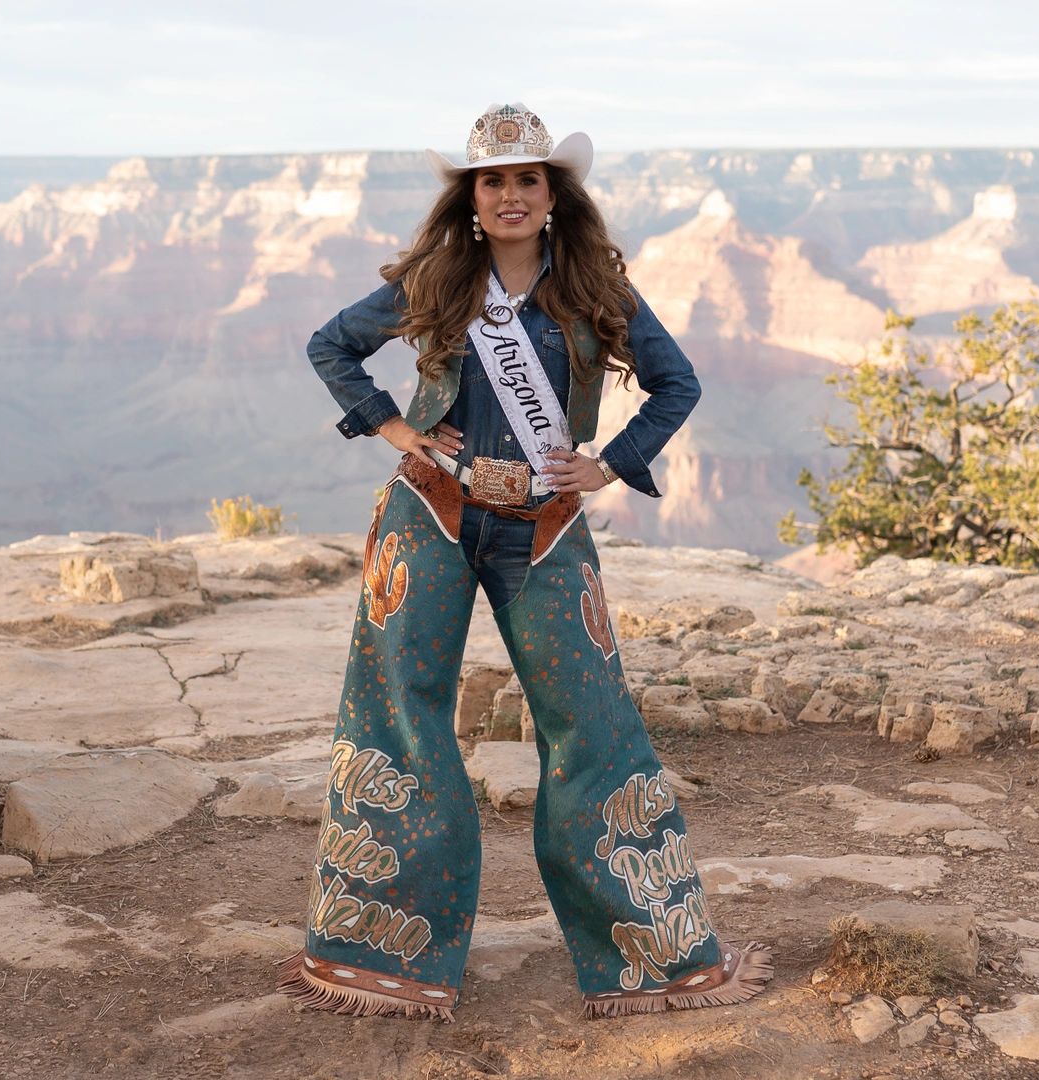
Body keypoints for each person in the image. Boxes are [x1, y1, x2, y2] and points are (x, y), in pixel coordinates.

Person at [281, 104, 771, 1019]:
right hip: (428, 511)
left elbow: (679, 383)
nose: (510, 195)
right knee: (400, 716)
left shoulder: (593, 286)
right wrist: (396, 428)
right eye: (493, 179)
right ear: (472, 196)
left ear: (554, 196)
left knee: (594, 720)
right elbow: (331, 345)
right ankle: (380, 951)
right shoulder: (439, 278)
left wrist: (610, 464)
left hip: (543, 524)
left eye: (528, 179)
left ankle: (653, 955)